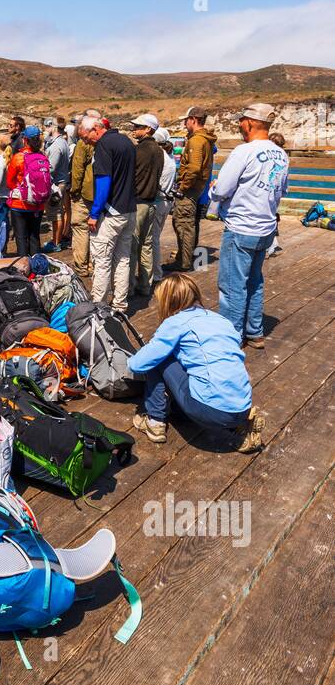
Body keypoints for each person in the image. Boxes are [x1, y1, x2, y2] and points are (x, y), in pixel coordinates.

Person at [127, 273, 263, 451]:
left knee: (159, 358)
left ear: (169, 301)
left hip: (210, 410)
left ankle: (155, 422)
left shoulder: (175, 323)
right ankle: (239, 426)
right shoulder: (220, 320)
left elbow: (138, 364)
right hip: (242, 406)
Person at [209, 103, 289, 349]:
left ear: (251, 123)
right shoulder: (281, 154)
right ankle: (255, 331)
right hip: (265, 227)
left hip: (241, 227)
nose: (239, 125)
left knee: (232, 284)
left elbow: (222, 189)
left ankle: (232, 337)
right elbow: (280, 191)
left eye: (241, 121)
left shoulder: (243, 152)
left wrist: (215, 189)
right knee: (254, 281)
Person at [78, 114, 136, 313]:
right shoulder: (126, 141)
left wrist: (94, 213)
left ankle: (99, 305)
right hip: (129, 209)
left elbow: (103, 183)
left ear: (95, 128)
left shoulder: (103, 146)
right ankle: (120, 304)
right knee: (123, 259)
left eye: (86, 137)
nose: (86, 142)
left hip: (111, 212)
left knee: (101, 261)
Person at [172, 107, 216, 270]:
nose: (184, 124)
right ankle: (185, 259)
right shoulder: (205, 139)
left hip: (189, 191)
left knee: (184, 225)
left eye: (186, 120)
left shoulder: (196, 141)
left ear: (193, 120)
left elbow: (194, 168)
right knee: (187, 224)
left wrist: (182, 188)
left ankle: (183, 263)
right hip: (196, 190)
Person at [129, 114, 163, 301]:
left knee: (132, 247)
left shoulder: (139, 150)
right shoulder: (158, 150)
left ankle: (130, 287)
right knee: (147, 246)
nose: (134, 129)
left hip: (138, 203)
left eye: (138, 127)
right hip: (152, 203)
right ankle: (145, 285)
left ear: (148, 129)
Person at [6, 125, 51, 257]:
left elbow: (9, 182)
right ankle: (36, 267)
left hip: (19, 204)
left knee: (21, 238)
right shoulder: (43, 156)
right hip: (38, 203)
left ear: (25, 140)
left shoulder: (18, 157)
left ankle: (24, 270)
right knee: (34, 237)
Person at [69, 115, 98, 275]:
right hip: (98, 192)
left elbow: (78, 169)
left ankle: (82, 266)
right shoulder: (102, 141)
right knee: (95, 230)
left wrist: (74, 190)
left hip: (85, 192)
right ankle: (93, 265)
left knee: (80, 228)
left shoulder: (82, 144)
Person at [152, 127, 177, 285]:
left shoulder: (160, 157)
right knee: (155, 238)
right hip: (167, 201)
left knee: (153, 240)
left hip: (158, 201)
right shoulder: (170, 156)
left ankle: (155, 273)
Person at [46, 116, 72, 250]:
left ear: (54, 127)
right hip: (62, 182)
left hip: (56, 184)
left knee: (56, 213)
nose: (46, 129)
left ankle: (56, 243)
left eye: (48, 126)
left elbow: (51, 168)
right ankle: (57, 240)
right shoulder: (63, 142)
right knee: (59, 212)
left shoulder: (56, 146)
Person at [266, 131, 287, 256]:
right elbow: (284, 179)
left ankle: (270, 246)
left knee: (268, 218)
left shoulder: (270, 157)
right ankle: (272, 244)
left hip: (267, 193)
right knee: (272, 217)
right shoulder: (284, 157)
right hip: (276, 193)